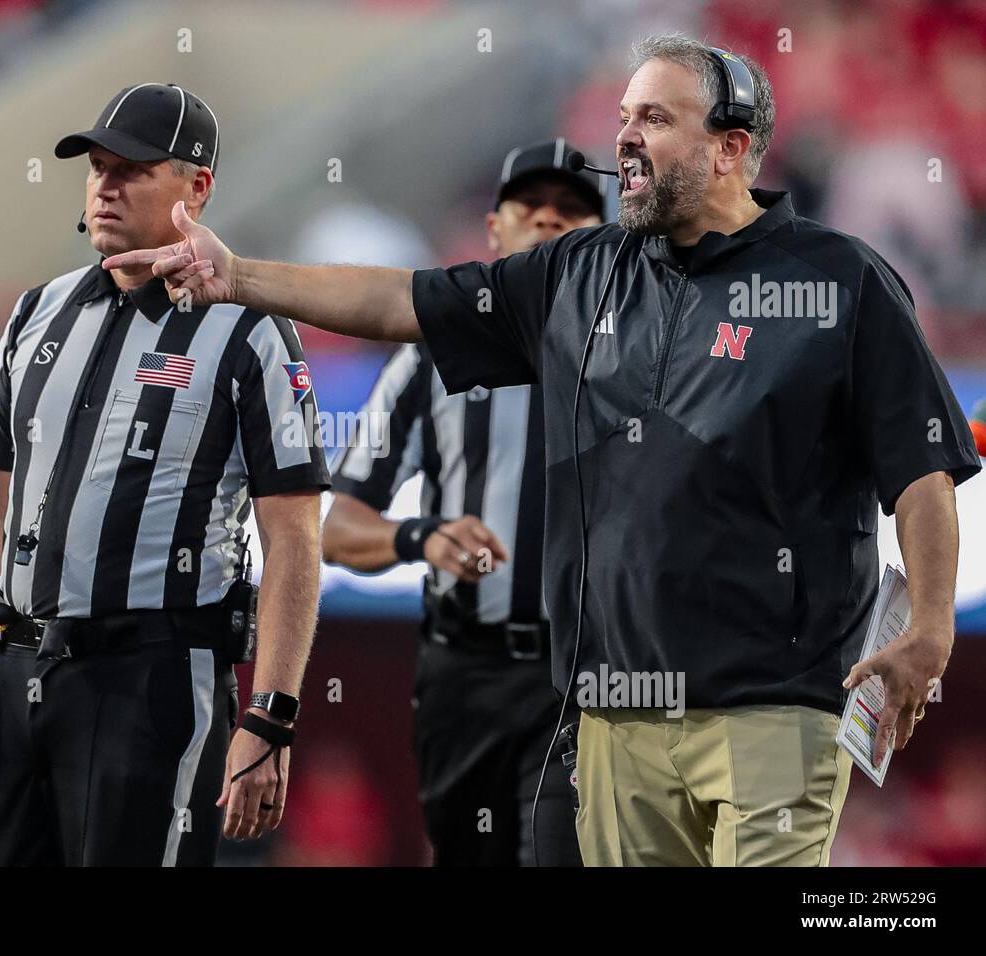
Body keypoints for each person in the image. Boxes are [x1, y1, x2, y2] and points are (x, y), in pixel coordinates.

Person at [106, 36, 981, 866]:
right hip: (612, 714)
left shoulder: (838, 280)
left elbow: (921, 469)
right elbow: (401, 300)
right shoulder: (577, 271)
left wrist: (933, 627)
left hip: (773, 709)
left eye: (656, 118)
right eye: (625, 115)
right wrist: (237, 277)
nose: (625, 135)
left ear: (730, 148)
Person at [0, 83, 329, 866]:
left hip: (153, 678)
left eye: (133, 169)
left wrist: (271, 713)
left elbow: (294, 535)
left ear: (197, 187)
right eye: (97, 166)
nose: (106, 185)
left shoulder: (248, 330)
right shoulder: (38, 311)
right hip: (20, 667)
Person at [322, 139, 602, 866]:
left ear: (605, 239)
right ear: (494, 227)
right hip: (465, 671)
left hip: (587, 678)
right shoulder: (427, 356)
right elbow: (339, 527)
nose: (548, 220)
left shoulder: (637, 356)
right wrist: (421, 538)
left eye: (572, 210)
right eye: (530, 205)